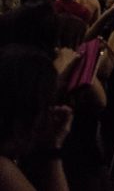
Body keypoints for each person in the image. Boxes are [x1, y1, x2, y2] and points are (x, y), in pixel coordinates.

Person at [0, 44, 75, 191]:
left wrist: (53, 145)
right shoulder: (3, 171)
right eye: (46, 104)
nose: (50, 113)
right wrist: (54, 148)